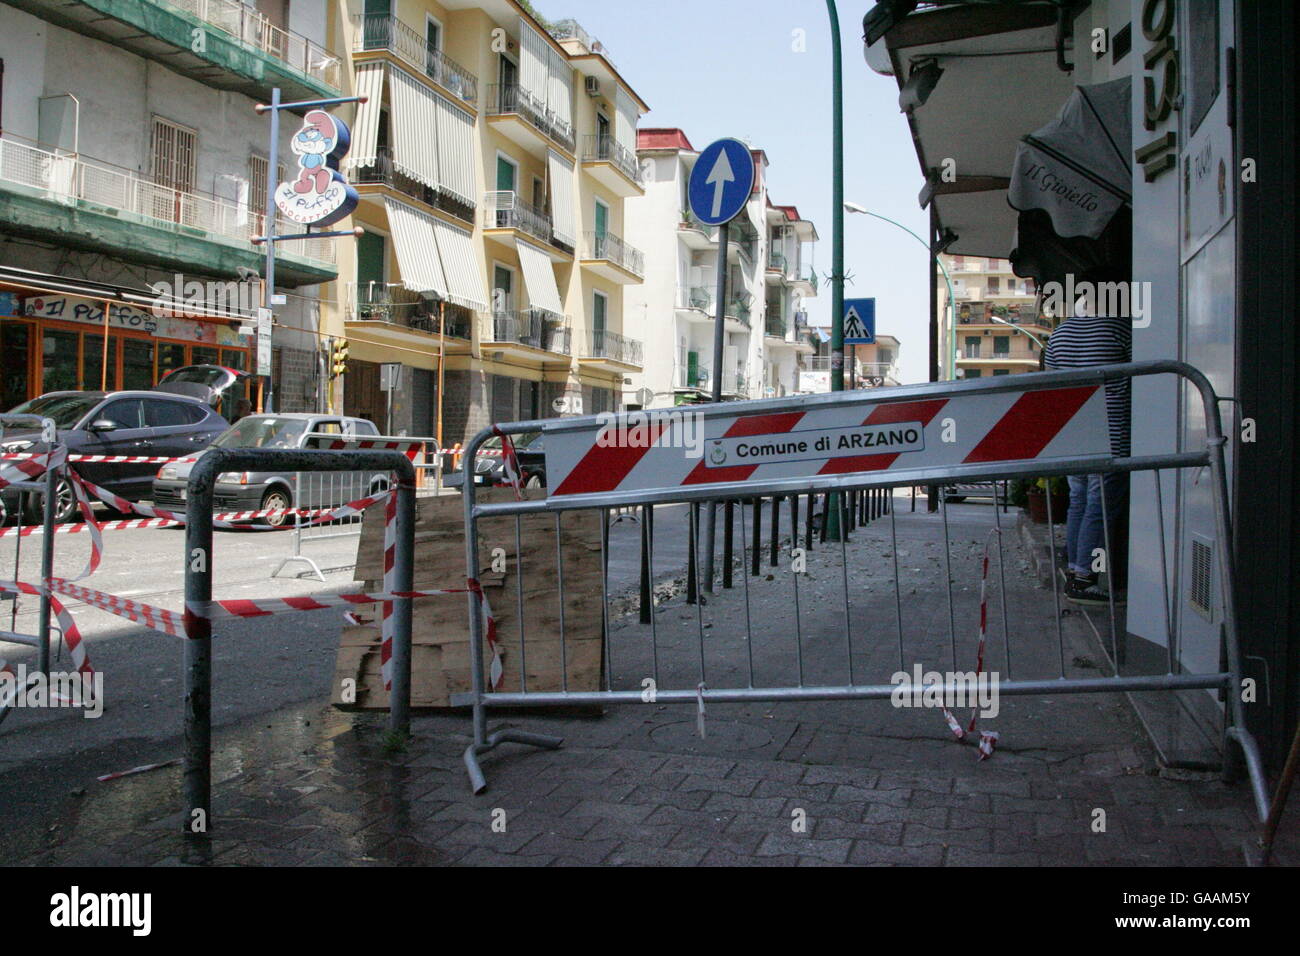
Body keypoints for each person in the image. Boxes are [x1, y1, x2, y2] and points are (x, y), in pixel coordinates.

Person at [1043, 270, 1132, 606]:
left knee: (1079, 499)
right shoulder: (1119, 329)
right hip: (1110, 431)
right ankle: (1084, 580)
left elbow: (1050, 384)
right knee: (1101, 505)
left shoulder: (1060, 334)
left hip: (1072, 431)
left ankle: (1075, 567)